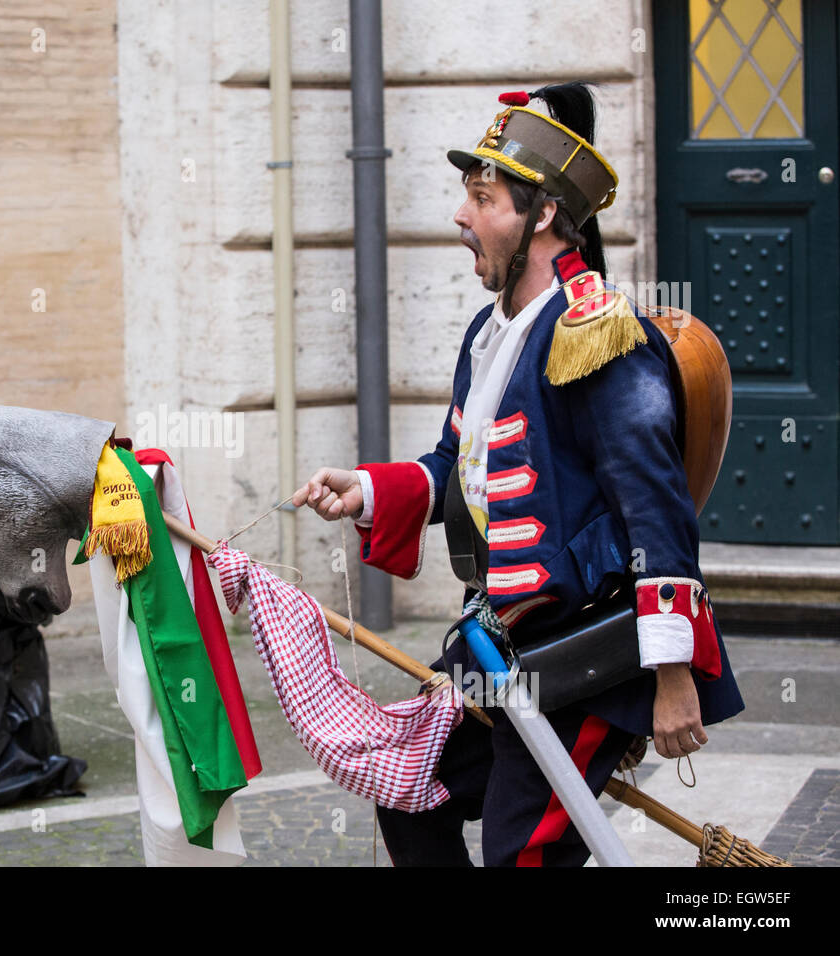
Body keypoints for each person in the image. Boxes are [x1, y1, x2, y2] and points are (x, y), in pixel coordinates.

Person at [292, 84, 743, 866]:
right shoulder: (489, 329)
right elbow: (457, 468)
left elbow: (655, 510)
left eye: (482, 198)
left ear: (539, 216)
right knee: (407, 791)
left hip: (586, 660)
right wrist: (366, 490)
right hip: (504, 650)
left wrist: (675, 676)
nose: (461, 218)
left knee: (521, 855)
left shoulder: (596, 332)